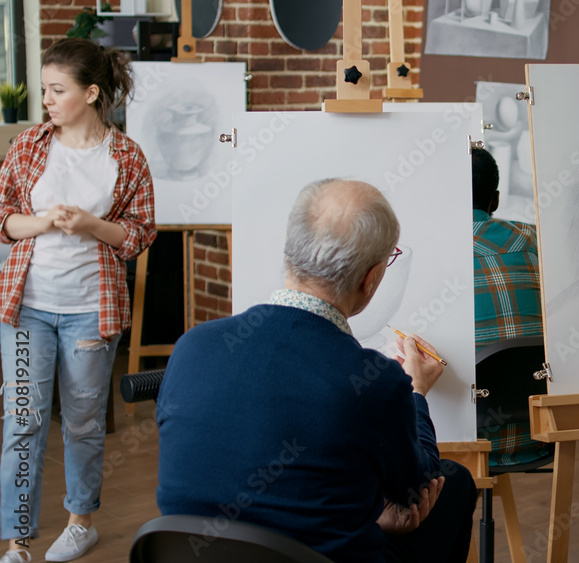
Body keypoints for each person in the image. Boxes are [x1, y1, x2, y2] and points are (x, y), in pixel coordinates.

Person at [156, 179, 477, 563]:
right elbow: (416, 488)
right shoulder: (373, 381)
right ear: (372, 278)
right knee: (455, 481)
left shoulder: (192, 346)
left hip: (194, 555)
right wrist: (416, 393)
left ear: (291, 249)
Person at [0, 39, 156, 563]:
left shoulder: (127, 157)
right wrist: (43, 221)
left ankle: (80, 522)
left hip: (92, 310)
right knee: (23, 419)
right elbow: (3, 220)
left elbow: (139, 234)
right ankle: (17, 539)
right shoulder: (28, 145)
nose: (46, 99)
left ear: (90, 93)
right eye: (44, 89)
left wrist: (91, 225)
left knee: (84, 423)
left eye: (57, 90)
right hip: (25, 308)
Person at [470, 148, 550, 466]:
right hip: (546, 429)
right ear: (495, 200)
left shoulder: (436, 253)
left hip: (468, 441)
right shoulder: (535, 239)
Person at [471, 147, 543, 350]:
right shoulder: (529, 236)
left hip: (474, 370)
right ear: (495, 200)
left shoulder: (442, 254)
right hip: (538, 366)